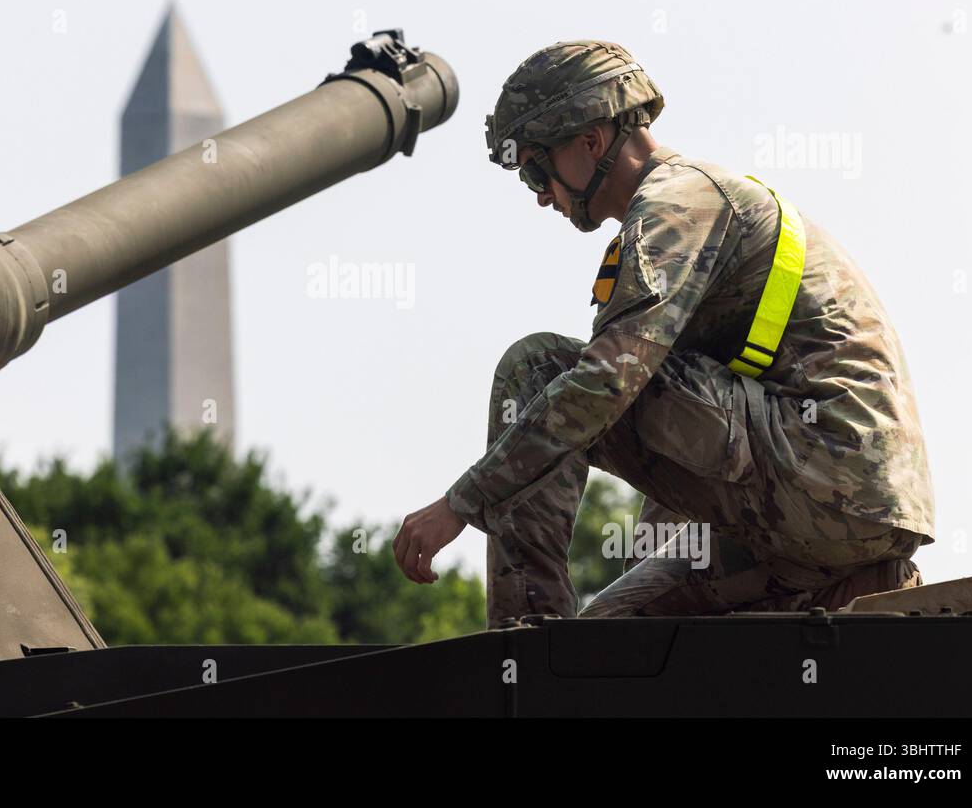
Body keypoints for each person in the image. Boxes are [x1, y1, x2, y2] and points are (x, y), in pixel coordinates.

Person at [392, 40, 933, 627]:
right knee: (613, 649)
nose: (542, 194)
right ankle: (554, 667)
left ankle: (523, 641)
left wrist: (461, 503)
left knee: (540, 370)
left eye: (535, 169)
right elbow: (680, 425)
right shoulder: (689, 212)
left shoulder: (677, 205)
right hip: (829, 514)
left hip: (822, 478)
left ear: (590, 142)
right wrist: (655, 557)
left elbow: (606, 385)